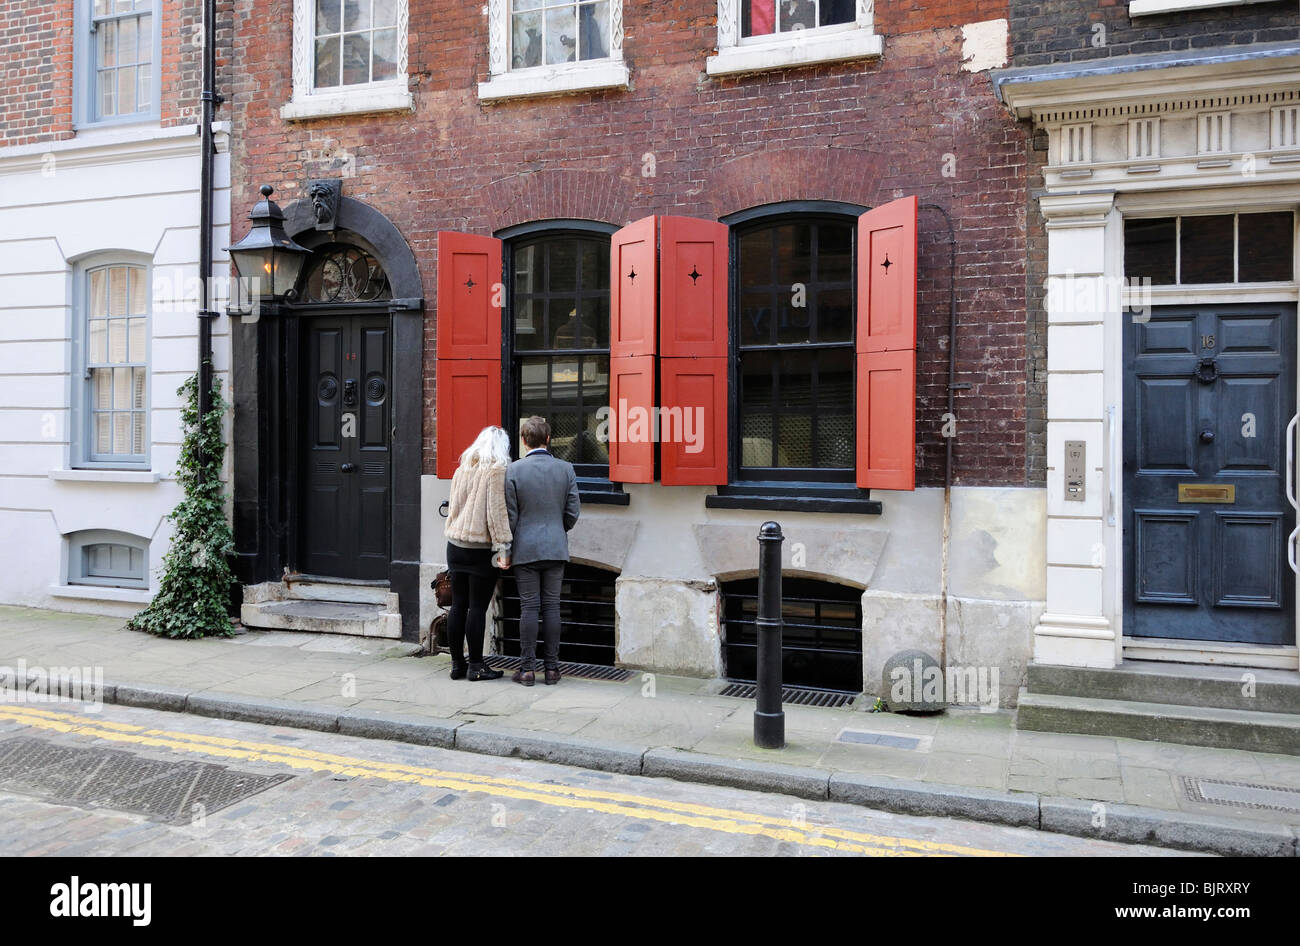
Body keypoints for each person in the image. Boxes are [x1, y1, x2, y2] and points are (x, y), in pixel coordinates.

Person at [505, 416, 581, 686]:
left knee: (529, 607)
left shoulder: (513, 471)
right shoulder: (566, 469)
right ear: (548, 439)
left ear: (524, 441)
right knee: (552, 607)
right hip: (555, 546)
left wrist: (506, 548)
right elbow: (573, 512)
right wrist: (558, 531)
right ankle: (552, 670)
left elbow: (510, 517)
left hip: (525, 548)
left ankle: (526, 670)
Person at [443, 425, 512, 682]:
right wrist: (503, 548)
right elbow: (497, 514)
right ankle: (477, 666)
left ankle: (457, 665)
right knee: (477, 608)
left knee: (457, 606)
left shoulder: (462, 469)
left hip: (455, 545)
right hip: (481, 550)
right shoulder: (496, 471)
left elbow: (454, 507)